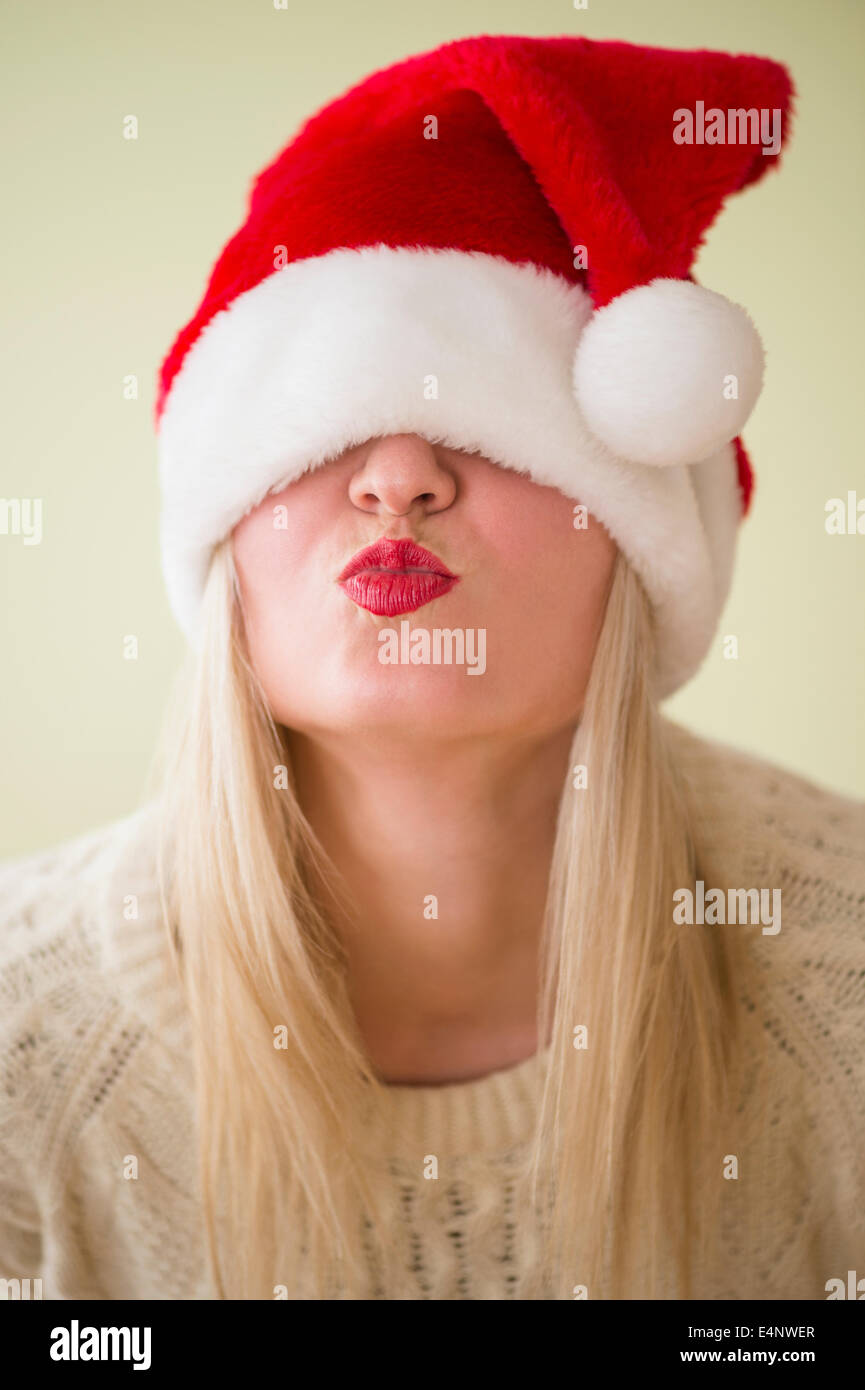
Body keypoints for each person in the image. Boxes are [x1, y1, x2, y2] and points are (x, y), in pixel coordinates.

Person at [1, 32, 863, 1303]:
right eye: (321, 419)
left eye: (486, 417)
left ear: (639, 546)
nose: (398, 476)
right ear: (224, 529)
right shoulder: (27, 1043)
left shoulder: (835, 985)